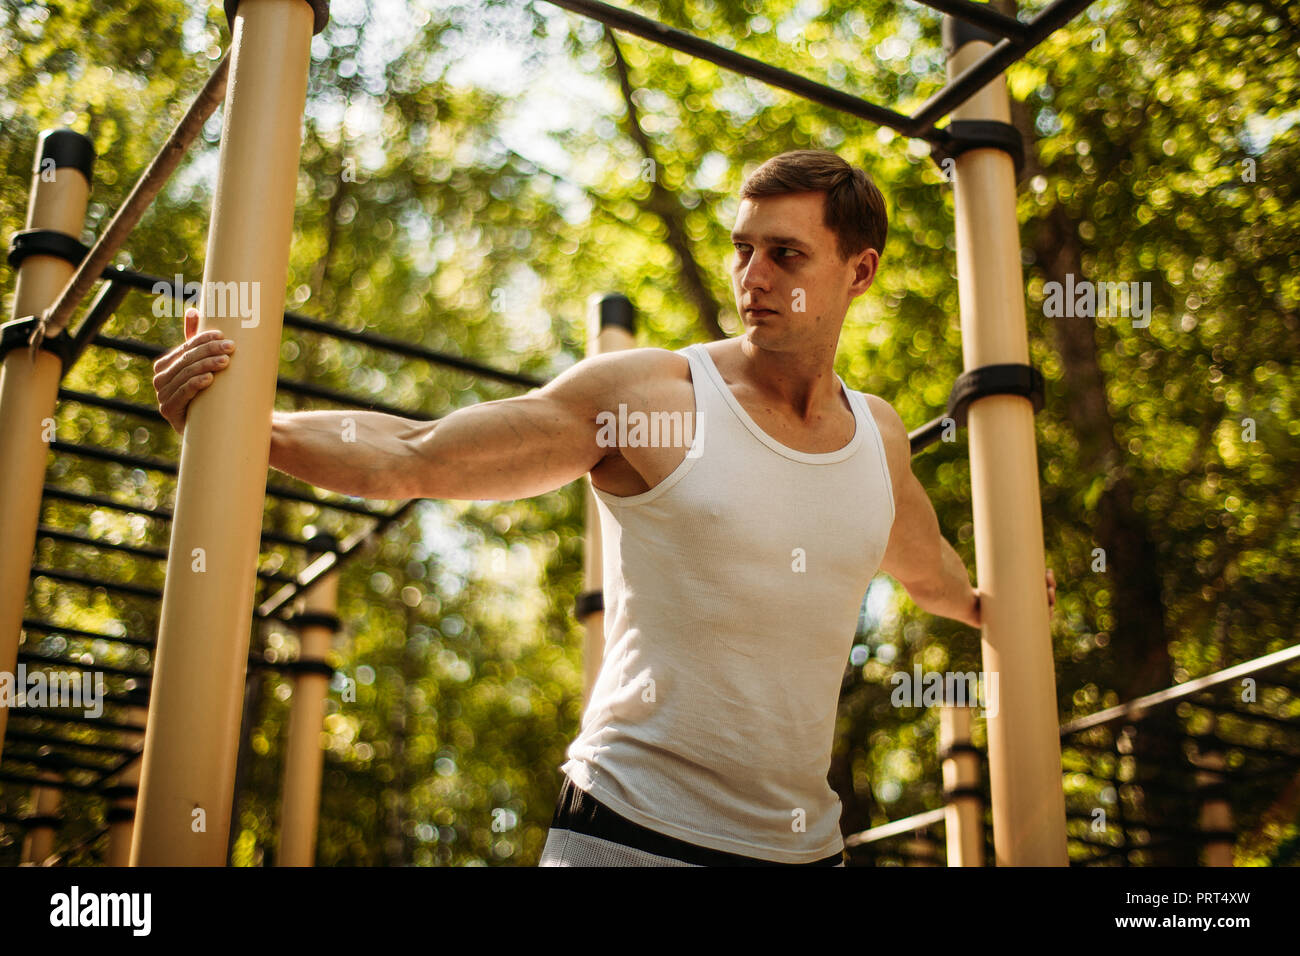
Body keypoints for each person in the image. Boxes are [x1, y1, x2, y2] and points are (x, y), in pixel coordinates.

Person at [153, 149, 1056, 867]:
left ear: (858, 272)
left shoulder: (880, 439)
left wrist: (987, 606)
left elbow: (923, 562)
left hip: (804, 845)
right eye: (743, 248)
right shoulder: (658, 397)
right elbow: (415, 456)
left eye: (785, 254)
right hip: (631, 831)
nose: (752, 276)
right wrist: (251, 425)